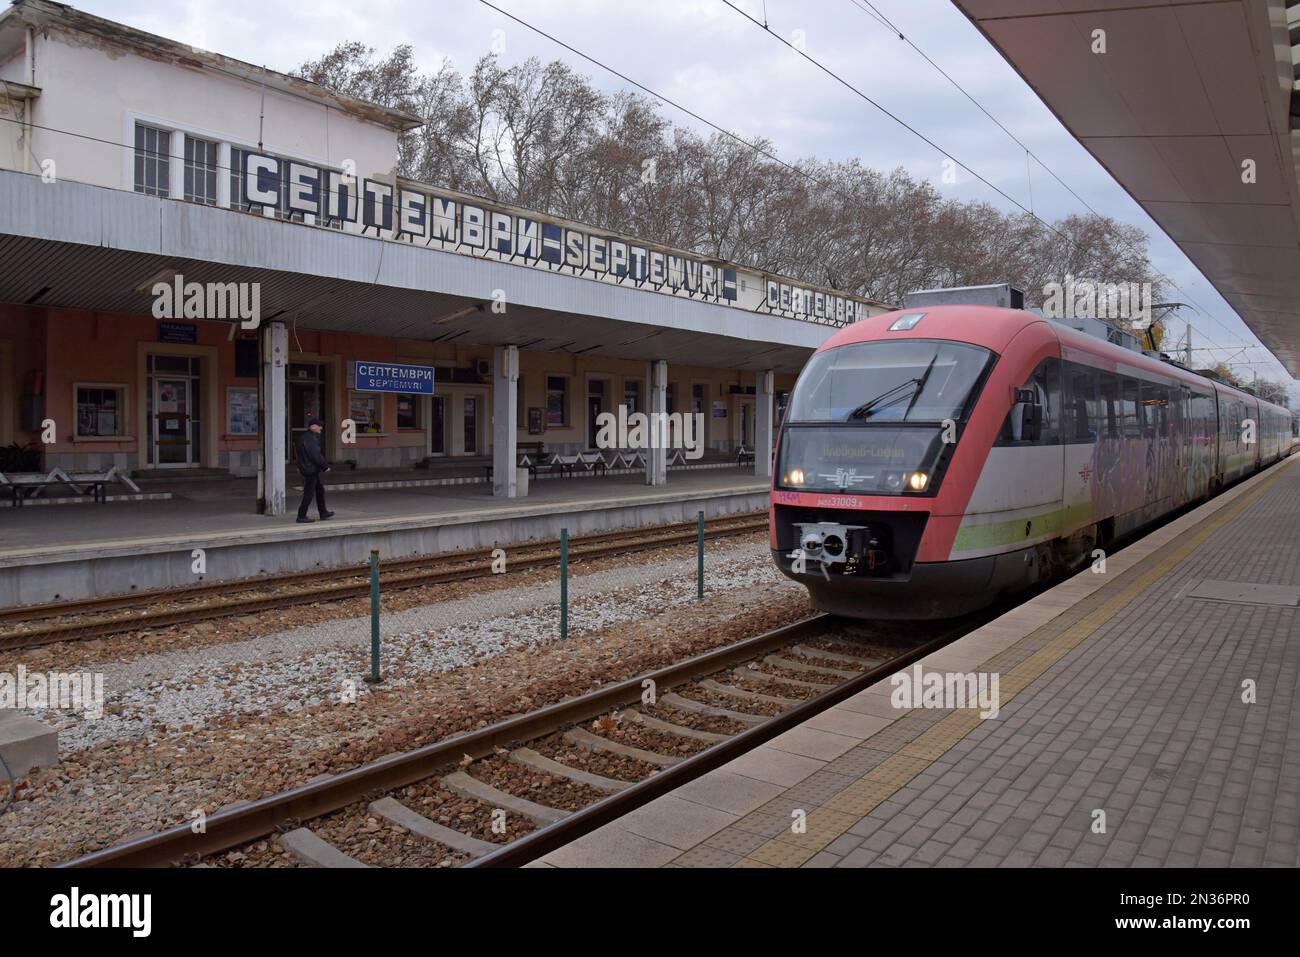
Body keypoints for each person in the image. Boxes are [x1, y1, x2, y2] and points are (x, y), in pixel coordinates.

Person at [296, 418, 335, 523]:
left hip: (309, 468)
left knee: (319, 490)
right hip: (311, 469)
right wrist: (324, 466)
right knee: (309, 493)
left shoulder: (306, 437)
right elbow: (315, 455)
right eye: (319, 425)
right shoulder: (310, 439)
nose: (321, 428)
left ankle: (323, 512)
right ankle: (301, 515)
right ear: (312, 426)